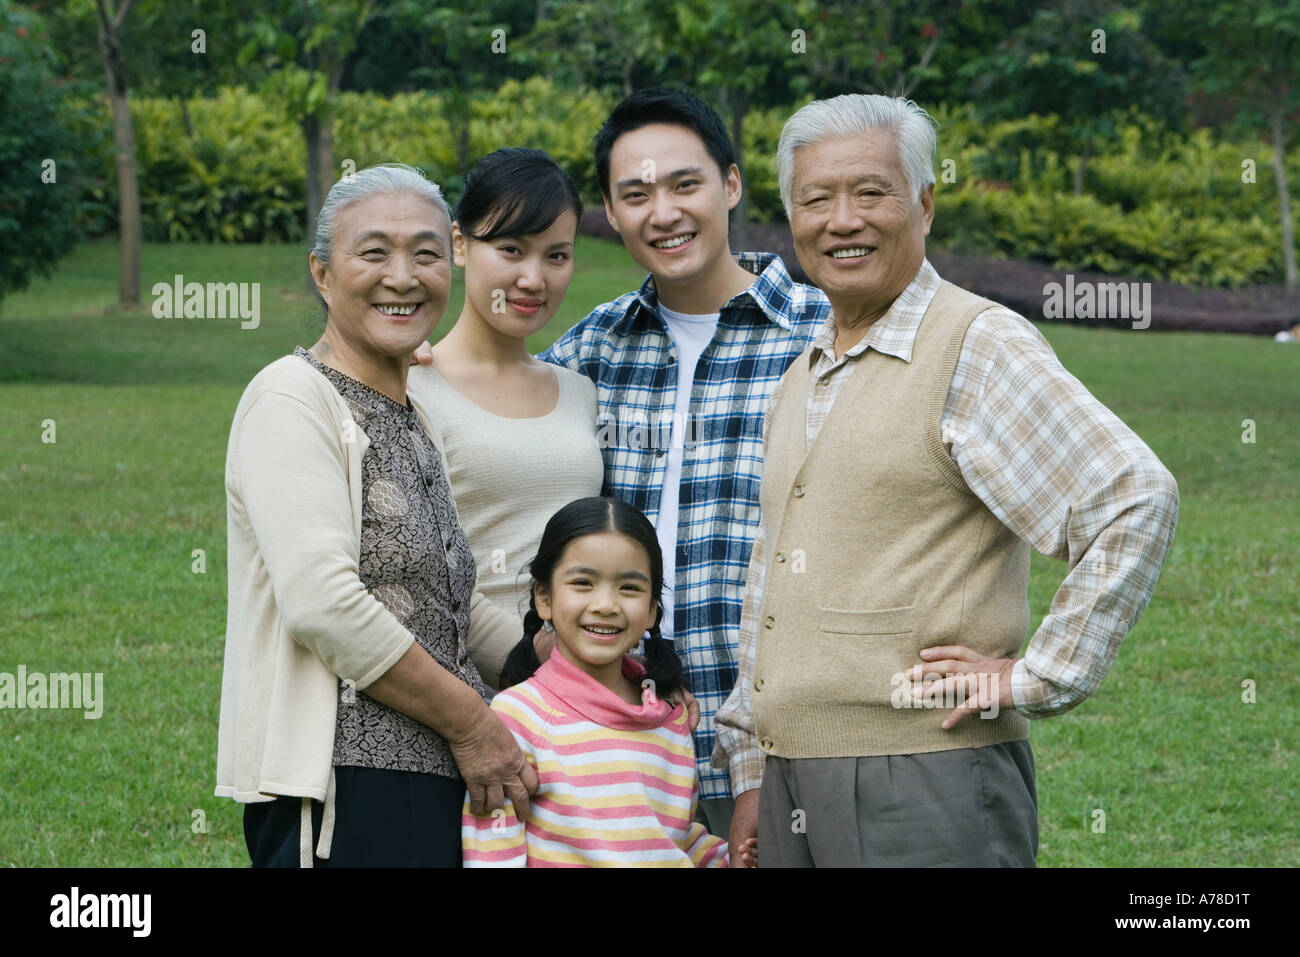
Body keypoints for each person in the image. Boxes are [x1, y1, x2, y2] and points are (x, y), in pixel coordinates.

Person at [713, 94, 1181, 866]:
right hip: (796, 778)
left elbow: (1134, 495)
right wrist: (758, 772)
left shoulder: (975, 343)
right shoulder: (803, 373)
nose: (843, 219)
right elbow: (772, 582)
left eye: (871, 192)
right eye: (816, 198)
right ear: (790, 218)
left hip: (923, 779)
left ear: (924, 205)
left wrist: (1038, 676)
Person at [534, 87, 834, 859]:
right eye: (635, 194)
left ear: (731, 185)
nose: (662, 212)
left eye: (684, 184)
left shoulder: (820, 333)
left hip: (781, 747)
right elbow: (496, 430)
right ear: (610, 209)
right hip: (619, 743)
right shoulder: (594, 349)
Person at [216, 163, 538, 867]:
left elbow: (453, 601)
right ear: (323, 273)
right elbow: (323, 603)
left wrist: (563, 662)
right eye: (374, 252)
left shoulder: (414, 412)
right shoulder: (291, 399)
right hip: (342, 790)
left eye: (425, 253)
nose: (403, 276)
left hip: (438, 783)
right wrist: (475, 723)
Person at [461, 496, 754, 867]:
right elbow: (493, 847)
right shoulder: (517, 714)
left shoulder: (671, 716)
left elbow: (673, 834)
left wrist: (733, 859)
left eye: (629, 588)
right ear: (544, 598)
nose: (606, 604)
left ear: (651, 610)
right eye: (583, 582)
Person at [408, 148, 603, 620]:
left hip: (576, 679)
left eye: (556, 256)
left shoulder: (580, 392)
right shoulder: (409, 386)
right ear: (459, 243)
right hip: (463, 675)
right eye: (512, 250)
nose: (533, 279)